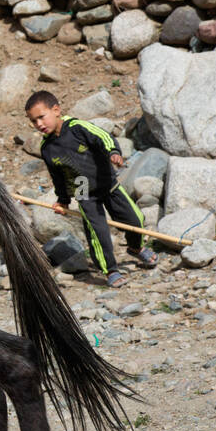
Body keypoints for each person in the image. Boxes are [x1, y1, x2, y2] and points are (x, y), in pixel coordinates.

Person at [25, 91, 157, 288]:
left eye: (41, 117)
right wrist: (63, 200)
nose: (39, 124)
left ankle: (136, 247)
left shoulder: (77, 128)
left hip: (107, 183)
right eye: (34, 121)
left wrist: (113, 152)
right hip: (83, 191)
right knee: (98, 232)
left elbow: (103, 137)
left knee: (135, 219)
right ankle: (110, 270)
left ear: (56, 110)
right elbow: (58, 177)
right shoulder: (47, 148)